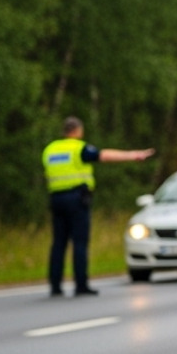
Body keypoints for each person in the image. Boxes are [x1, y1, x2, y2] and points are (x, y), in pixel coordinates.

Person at [41, 116, 155, 297]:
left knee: (58, 243)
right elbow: (104, 155)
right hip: (76, 199)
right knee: (79, 242)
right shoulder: (78, 148)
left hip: (56, 199)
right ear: (78, 130)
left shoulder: (50, 150)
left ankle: (55, 286)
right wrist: (132, 155)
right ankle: (81, 285)